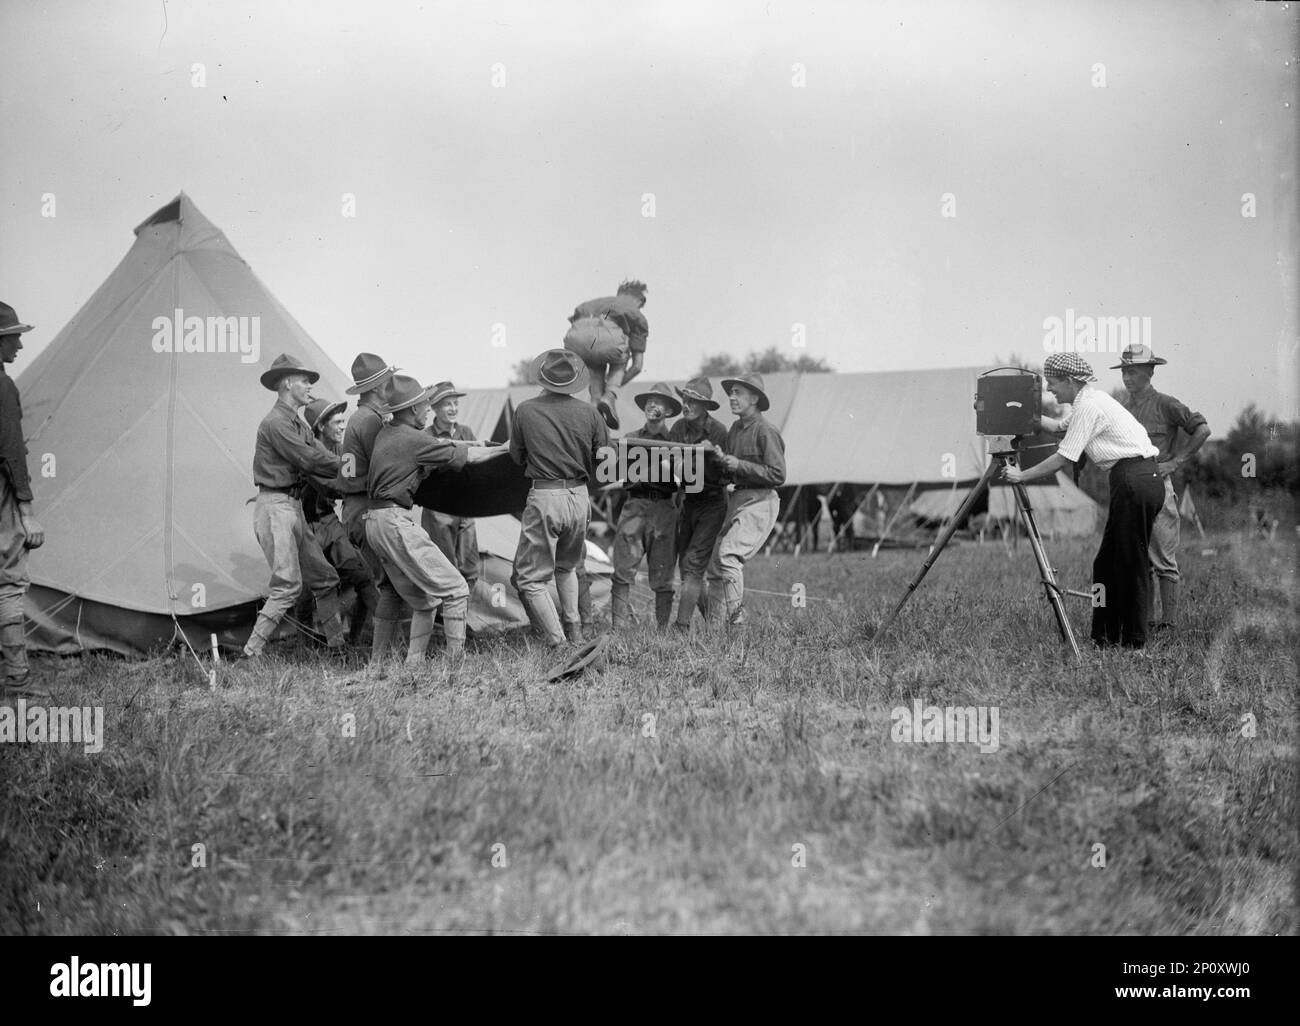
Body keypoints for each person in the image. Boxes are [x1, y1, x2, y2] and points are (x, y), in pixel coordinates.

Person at [1003, 353, 1163, 649]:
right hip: (1132, 479)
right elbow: (1058, 427)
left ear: (1070, 380)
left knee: (1131, 562)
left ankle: (1135, 642)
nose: (1051, 390)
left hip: (1135, 480)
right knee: (1106, 564)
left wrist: (1021, 476)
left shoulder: (1089, 405)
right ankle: (1105, 637)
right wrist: (1022, 413)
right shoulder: (1087, 402)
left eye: (1053, 384)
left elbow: (1064, 457)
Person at [364, 375, 498, 667]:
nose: (429, 410)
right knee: (457, 589)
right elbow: (469, 455)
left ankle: (407, 665)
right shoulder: (415, 439)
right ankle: (456, 667)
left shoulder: (388, 433)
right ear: (413, 410)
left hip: (374, 521)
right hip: (393, 522)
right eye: (426, 405)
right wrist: (505, 449)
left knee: (425, 601)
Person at [243, 354, 346, 658]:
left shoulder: (296, 423)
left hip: (292, 508)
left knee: (326, 579)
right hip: (276, 509)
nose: (310, 387)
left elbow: (318, 458)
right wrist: (350, 467)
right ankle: (251, 653)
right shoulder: (276, 423)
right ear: (288, 383)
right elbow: (310, 459)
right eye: (305, 381)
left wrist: (354, 475)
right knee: (287, 586)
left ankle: (337, 648)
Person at [509, 349, 609, 647]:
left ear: (543, 379)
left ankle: (558, 642)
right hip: (579, 497)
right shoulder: (590, 412)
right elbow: (603, 455)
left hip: (546, 495)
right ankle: (574, 630)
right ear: (573, 382)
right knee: (567, 567)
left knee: (529, 579)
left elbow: (516, 456)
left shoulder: (525, 410)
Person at [1112, 344, 1210, 631]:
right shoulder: (1121, 409)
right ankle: (1145, 621)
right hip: (1130, 490)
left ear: (1150, 372)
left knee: (1164, 559)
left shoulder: (1167, 404)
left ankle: (1169, 625)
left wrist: (1176, 461)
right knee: (1140, 560)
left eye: (1134, 371)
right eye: (1125, 372)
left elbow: (1202, 429)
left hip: (1158, 487)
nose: (1128, 378)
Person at [334, 353, 403, 665]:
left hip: (355, 508)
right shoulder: (372, 421)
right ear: (379, 387)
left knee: (384, 581)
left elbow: (348, 474)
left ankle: (385, 654)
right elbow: (385, 469)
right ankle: (393, 654)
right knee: (390, 583)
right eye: (388, 382)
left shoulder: (357, 418)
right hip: (367, 508)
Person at [705, 373, 786, 629]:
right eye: (731, 393)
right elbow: (731, 471)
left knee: (729, 556)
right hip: (738, 496)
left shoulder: (766, 431)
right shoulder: (735, 430)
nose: (731, 397)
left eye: (738, 393)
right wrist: (720, 459)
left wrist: (740, 464)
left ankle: (737, 625)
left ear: (754, 398)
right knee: (716, 562)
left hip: (761, 500)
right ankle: (714, 629)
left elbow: (778, 474)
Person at [300, 397, 380, 645]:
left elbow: (351, 476)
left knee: (363, 576)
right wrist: (364, 484)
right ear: (321, 427)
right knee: (306, 592)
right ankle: (314, 645)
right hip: (304, 524)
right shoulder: (310, 452)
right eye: (337, 422)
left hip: (328, 521)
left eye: (343, 421)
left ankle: (375, 639)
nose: (342, 427)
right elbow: (332, 487)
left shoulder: (341, 450)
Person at [0, 302, 46, 694]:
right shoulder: (3, 386)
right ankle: (17, 678)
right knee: (9, 581)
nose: (18, 344)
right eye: (11, 337)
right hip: (2, 496)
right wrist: (26, 511)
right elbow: (12, 452)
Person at [610, 382, 680, 630]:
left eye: (658, 401)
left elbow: (687, 479)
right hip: (635, 505)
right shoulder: (630, 439)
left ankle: (662, 631)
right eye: (649, 400)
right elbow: (612, 469)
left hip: (664, 508)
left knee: (663, 574)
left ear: (669, 411)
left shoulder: (676, 443)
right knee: (623, 569)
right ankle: (618, 628)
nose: (652, 404)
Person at [667, 376, 729, 630]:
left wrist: (712, 454)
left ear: (705, 406)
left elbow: (727, 474)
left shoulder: (719, 431)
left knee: (693, 565)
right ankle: (715, 623)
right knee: (687, 568)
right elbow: (671, 464)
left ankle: (681, 628)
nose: (686, 404)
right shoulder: (678, 429)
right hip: (688, 502)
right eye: (685, 399)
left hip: (713, 503)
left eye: (693, 401)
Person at [420, 382, 482, 596]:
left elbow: (476, 465)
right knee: (445, 568)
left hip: (465, 507)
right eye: (447, 404)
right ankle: (445, 622)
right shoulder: (426, 436)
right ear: (435, 408)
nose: (453, 408)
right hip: (439, 510)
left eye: (455, 403)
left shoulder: (466, 432)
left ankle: (464, 621)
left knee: (471, 567)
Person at [564, 280, 648, 430]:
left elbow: (582, 325)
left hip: (576, 337)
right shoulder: (635, 312)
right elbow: (637, 366)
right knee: (621, 353)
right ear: (639, 300)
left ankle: (595, 402)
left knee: (595, 358)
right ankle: (608, 397)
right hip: (607, 336)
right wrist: (611, 389)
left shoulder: (595, 302)